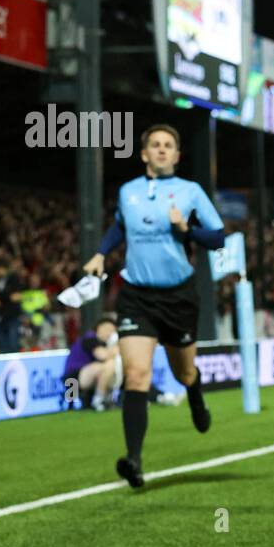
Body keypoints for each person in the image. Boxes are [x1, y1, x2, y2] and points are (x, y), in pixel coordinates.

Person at [81, 123, 226, 488]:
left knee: (184, 373)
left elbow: (218, 237)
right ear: (144, 154)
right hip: (137, 296)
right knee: (136, 375)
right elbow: (118, 227)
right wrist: (100, 253)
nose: (162, 150)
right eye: (155, 145)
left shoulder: (190, 191)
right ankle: (134, 461)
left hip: (177, 296)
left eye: (168, 146)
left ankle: (194, 395)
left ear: (176, 156)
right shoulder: (128, 191)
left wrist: (186, 231)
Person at [63, 316, 122, 411]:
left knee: (114, 367)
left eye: (112, 330)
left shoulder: (104, 343)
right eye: (107, 329)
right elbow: (102, 355)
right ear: (99, 327)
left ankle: (106, 399)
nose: (109, 333)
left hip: (86, 376)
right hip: (73, 377)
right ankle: (99, 399)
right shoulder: (90, 338)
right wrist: (117, 348)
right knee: (110, 364)